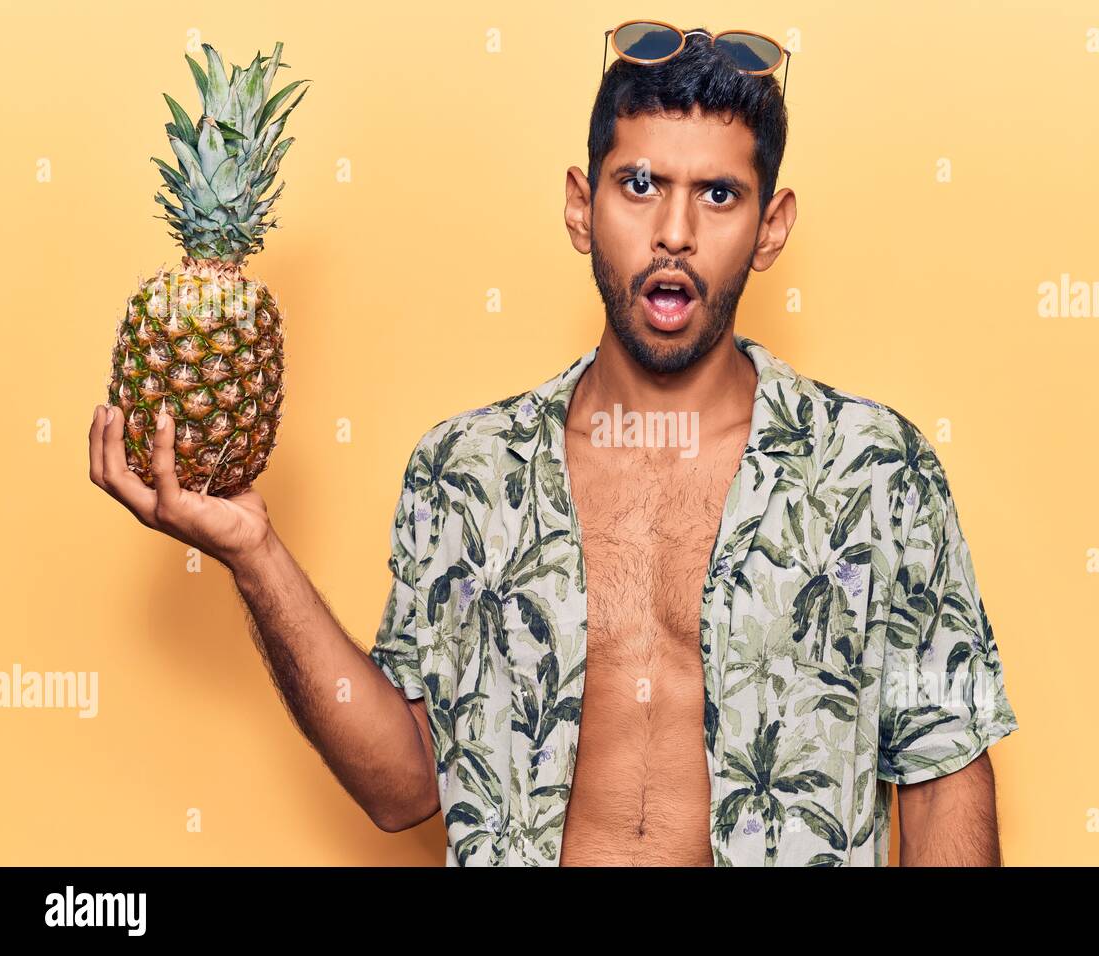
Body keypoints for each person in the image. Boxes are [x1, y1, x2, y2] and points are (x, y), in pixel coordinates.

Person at [88, 26, 1019, 866]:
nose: (675, 233)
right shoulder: (466, 472)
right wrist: (253, 554)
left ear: (770, 226)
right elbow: (404, 787)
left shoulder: (873, 471)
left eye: (721, 195)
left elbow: (941, 784)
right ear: (583, 206)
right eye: (640, 184)